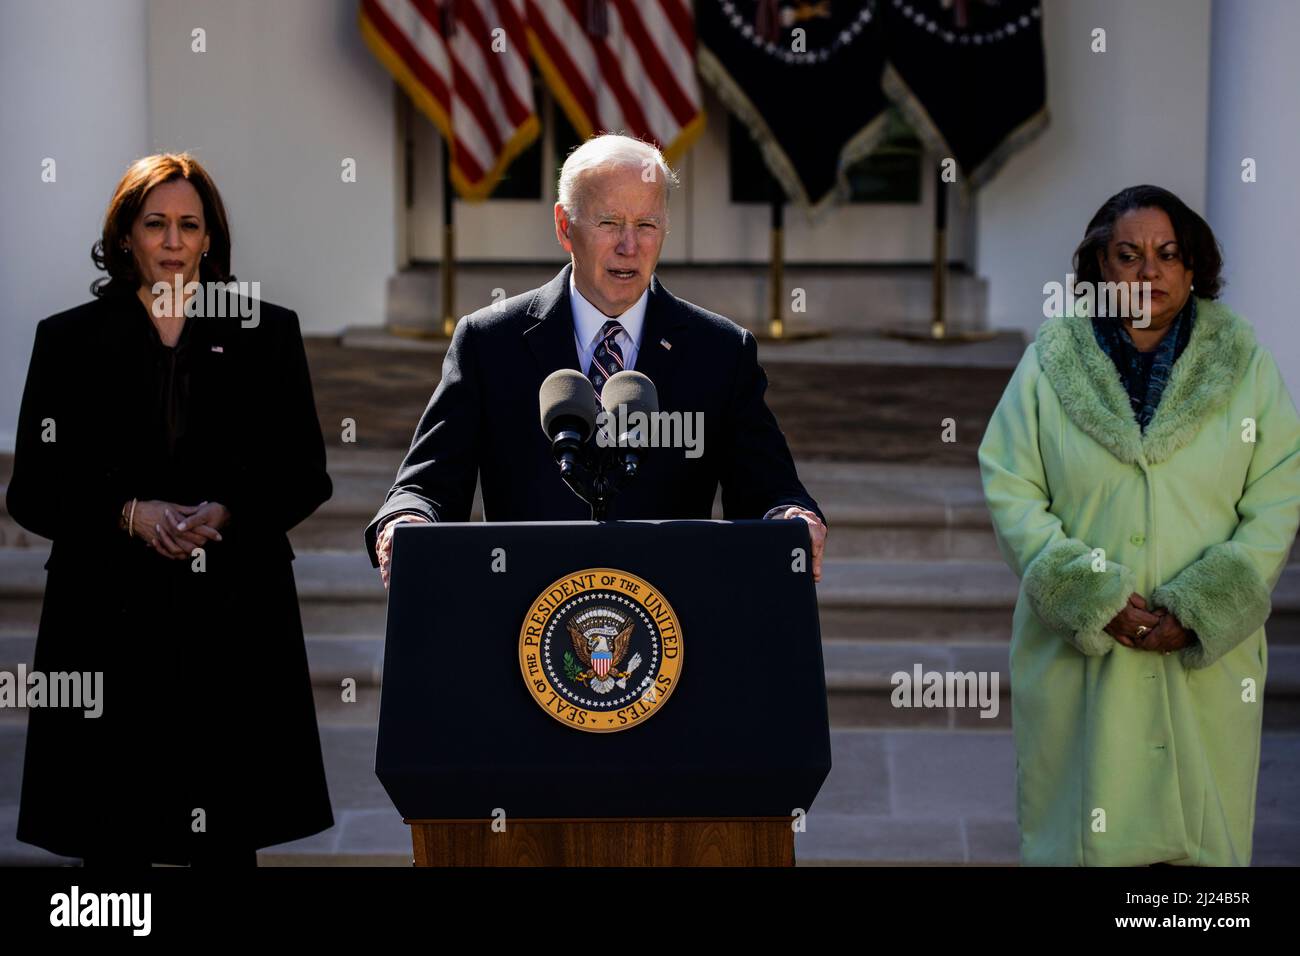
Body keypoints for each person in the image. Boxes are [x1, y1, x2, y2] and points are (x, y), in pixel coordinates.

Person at [7, 153, 334, 866]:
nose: (174, 241)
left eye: (190, 225)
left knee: (226, 838)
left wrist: (229, 510)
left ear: (211, 237)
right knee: (111, 841)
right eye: (155, 224)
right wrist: (128, 512)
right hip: (106, 622)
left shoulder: (267, 332)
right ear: (125, 235)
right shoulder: (66, 341)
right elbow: (32, 487)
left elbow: (306, 474)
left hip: (233, 618)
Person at [978, 184, 1300, 865]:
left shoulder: (1245, 365)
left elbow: (1277, 493)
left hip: (1201, 662)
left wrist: (1210, 604)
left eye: (1167, 254)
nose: (1148, 273)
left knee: (1196, 861)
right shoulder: (1048, 362)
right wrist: (1086, 595)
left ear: (1193, 268)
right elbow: (1010, 483)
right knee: (1078, 840)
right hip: (1082, 659)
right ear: (1100, 267)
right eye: (1128, 255)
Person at [365, 134, 827, 584]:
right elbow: (427, 484)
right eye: (609, 223)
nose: (630, 246)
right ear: (565, 227)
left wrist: (791, 516)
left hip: (669, 622)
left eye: (647, 225)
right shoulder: (489, 342)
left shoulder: (720, 350)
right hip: (524, 615)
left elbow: (768, 488)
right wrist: (408, 519)